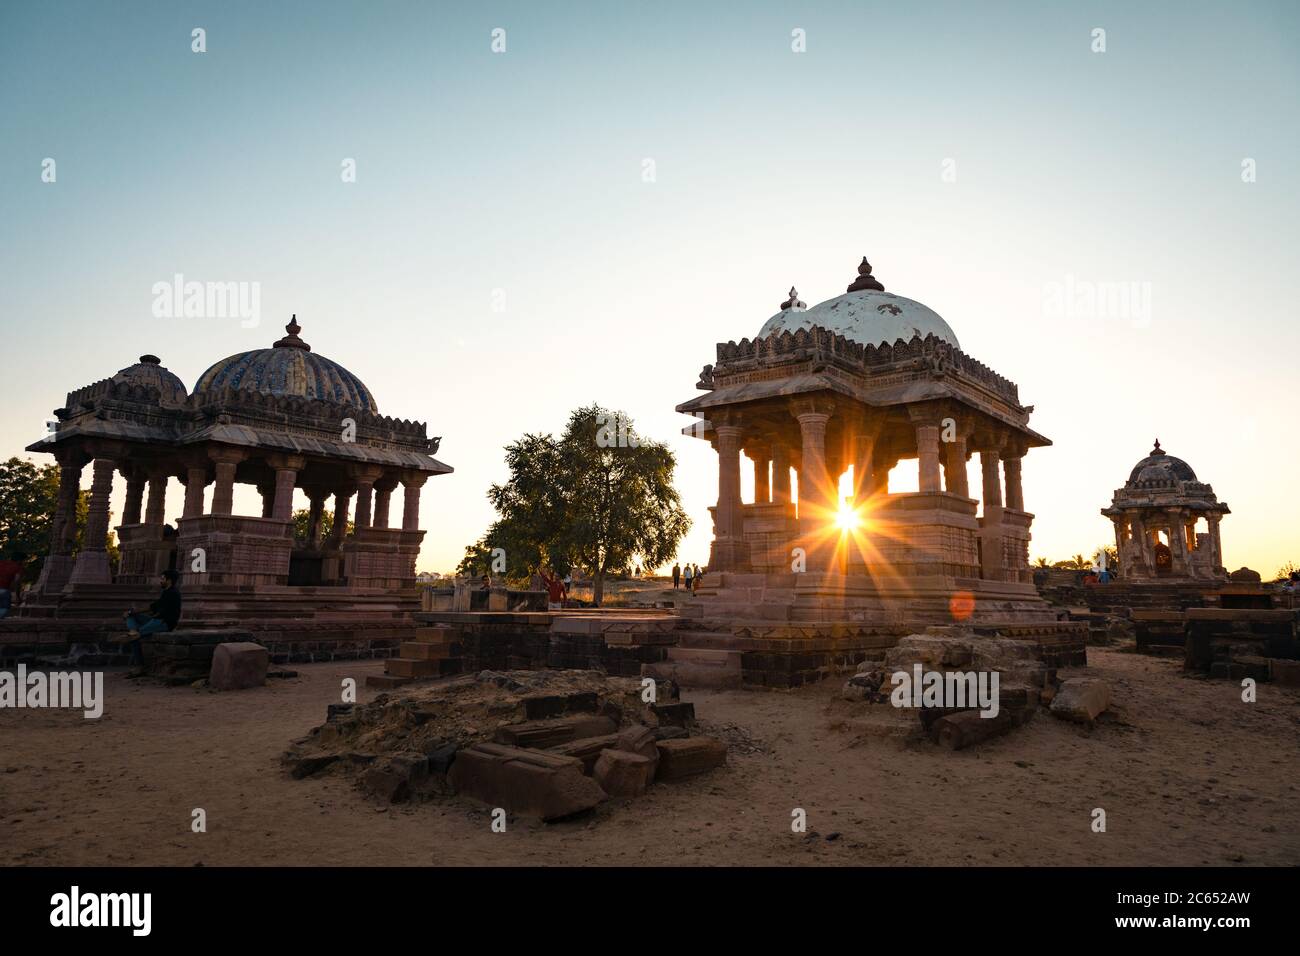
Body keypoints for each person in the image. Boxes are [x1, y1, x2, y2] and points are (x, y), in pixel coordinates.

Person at [122, 569, 182, 666]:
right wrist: (131, 612)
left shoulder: (173, 593)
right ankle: (133, 631)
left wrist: (133, 612)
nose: (160, 581)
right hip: (157, 620)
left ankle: (139, 667)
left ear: (169, 580)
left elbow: (155, 608)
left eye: (162, 579)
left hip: (165, 623)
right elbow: (155, 607)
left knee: (134, 639)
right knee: (132, 617)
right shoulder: (166, 592)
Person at [0, 551, 27, 619]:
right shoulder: (18, 567)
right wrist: (18, 597)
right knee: (4, 608)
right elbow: (17, 581)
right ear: (20, 560)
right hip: (3, 590)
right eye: (24, 561)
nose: (24, 563)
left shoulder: (1, 563)